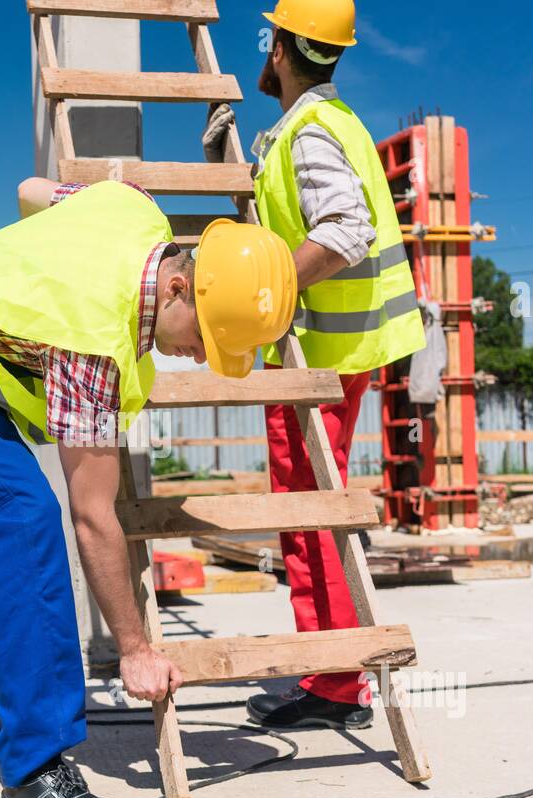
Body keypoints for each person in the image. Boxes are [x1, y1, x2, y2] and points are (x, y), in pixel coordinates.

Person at [0, 178, 296, 798]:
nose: (202, 356)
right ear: (179, 288)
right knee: (23, 516)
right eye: (207, 338)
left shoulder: (133, 207)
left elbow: (32, 190)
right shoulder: (93, 334)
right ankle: (35, 766)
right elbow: (91, 515)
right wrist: (134, 649)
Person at [205, 0, 425, 732]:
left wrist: (272, 293)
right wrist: (226, 171)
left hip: (316, 358)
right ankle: (330, 671)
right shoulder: (317, 127)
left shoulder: (308, 133)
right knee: (312, 513)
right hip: (332, 353)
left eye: (269, 40)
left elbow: (345, 229)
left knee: (307, 515)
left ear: (281, 50)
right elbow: (285, 229)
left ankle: (333, 682)